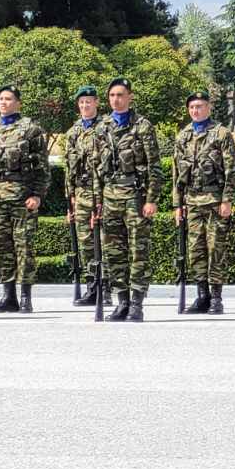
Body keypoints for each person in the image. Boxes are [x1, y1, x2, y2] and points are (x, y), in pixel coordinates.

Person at [93, 77, 164, 322]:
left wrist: (151, 199)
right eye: (112, 95)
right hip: (110, 197)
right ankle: (121, 300)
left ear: (130, 96)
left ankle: (136, 303)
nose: (116, 99)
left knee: (138, 251)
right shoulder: (102, 127)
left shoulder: (142, 126)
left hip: (135, 196)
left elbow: (154, 166)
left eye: (120, 95)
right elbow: (96, 167)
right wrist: (97, 201)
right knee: (114, 252)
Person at [0, 86, 50, 312]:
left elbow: (42, 167)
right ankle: (8, 296)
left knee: (24, 248)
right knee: (1, 249)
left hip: (22, 197)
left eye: (8, 99)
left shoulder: (31, 129)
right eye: (0, 98)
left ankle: (26, 296)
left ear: (18, 103)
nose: (3, 102)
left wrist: (37, 195)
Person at [172, 91, 235, 314]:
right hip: (192, 201)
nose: (195, 111)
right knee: (196, 249)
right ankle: (202, 295)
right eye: (192, 107)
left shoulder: (220, 134)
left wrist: (228, 199)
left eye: (199, 106)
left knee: (215, 248)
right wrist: (177, 204)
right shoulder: (183, 136)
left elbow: (232, 169)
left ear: (208, 107)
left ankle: (217, 297)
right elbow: (176, 174)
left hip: (215, 200)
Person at [61, 86, 104, 307]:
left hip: (102, 193)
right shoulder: (73, 132)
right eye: (81, 103)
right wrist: (70, 198)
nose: (85, 106)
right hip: (80, 192)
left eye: (88, 102)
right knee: (85, 242)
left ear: (97, 102)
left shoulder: (106, 128)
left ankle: (105, 287)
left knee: (104, 241)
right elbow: (68, 167)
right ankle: (92, 286)